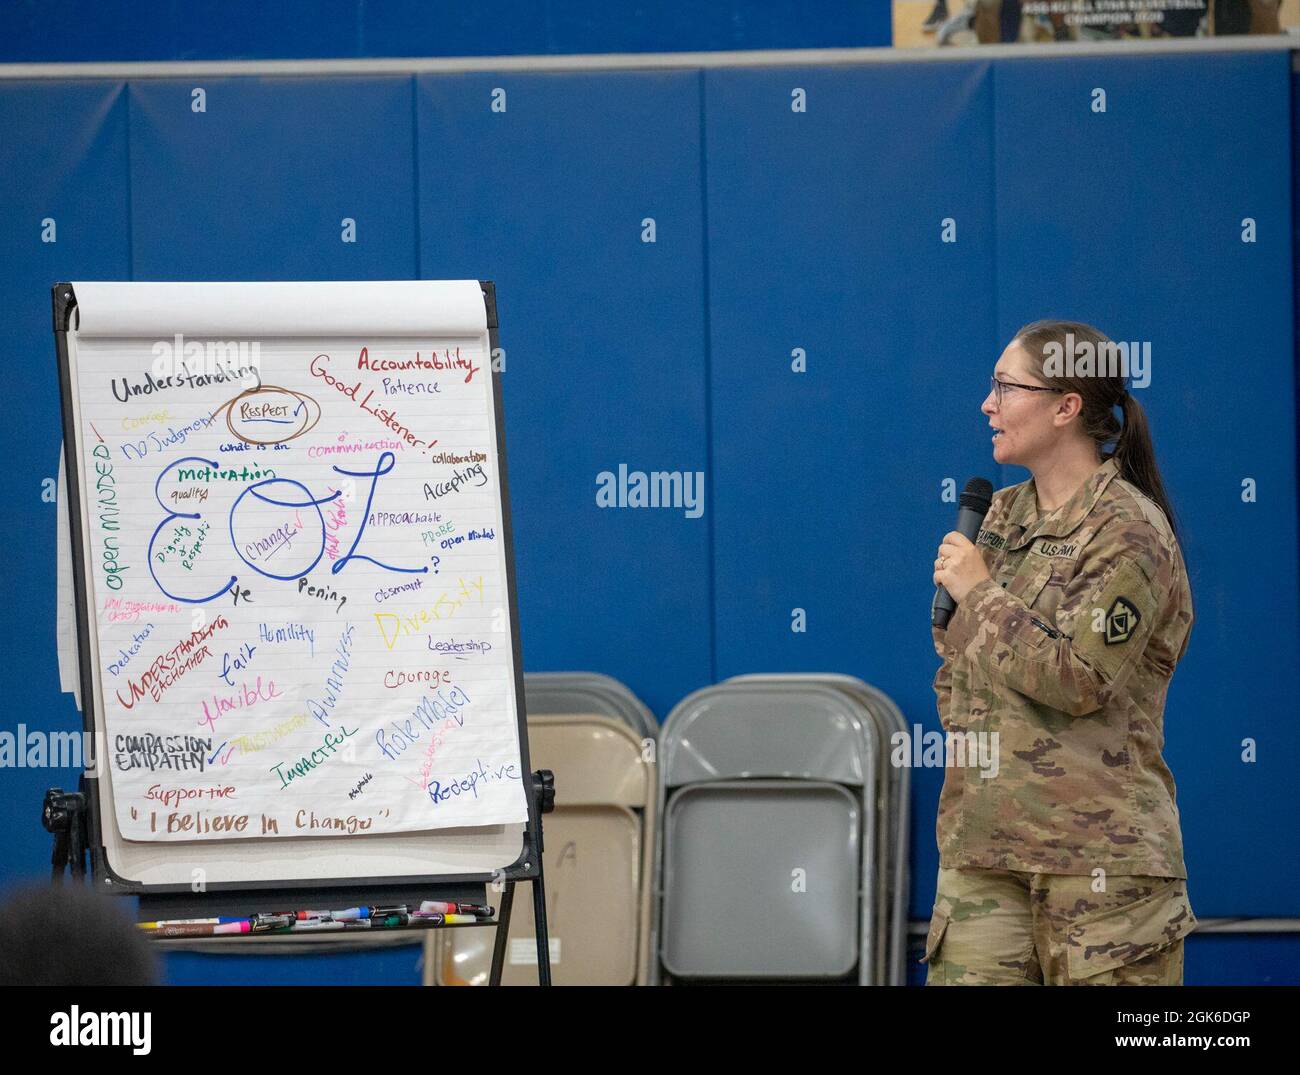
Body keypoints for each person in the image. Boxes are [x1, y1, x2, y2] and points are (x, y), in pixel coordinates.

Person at [924, 319, 1196, 985]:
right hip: (984, 853)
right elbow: (957, 667)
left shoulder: (1128, 530)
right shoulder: (1000, 515)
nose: (987, 404)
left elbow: (1079, 677)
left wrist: (981, 593)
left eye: (1004, 387)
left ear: (1065, 405)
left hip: (1100, 867)